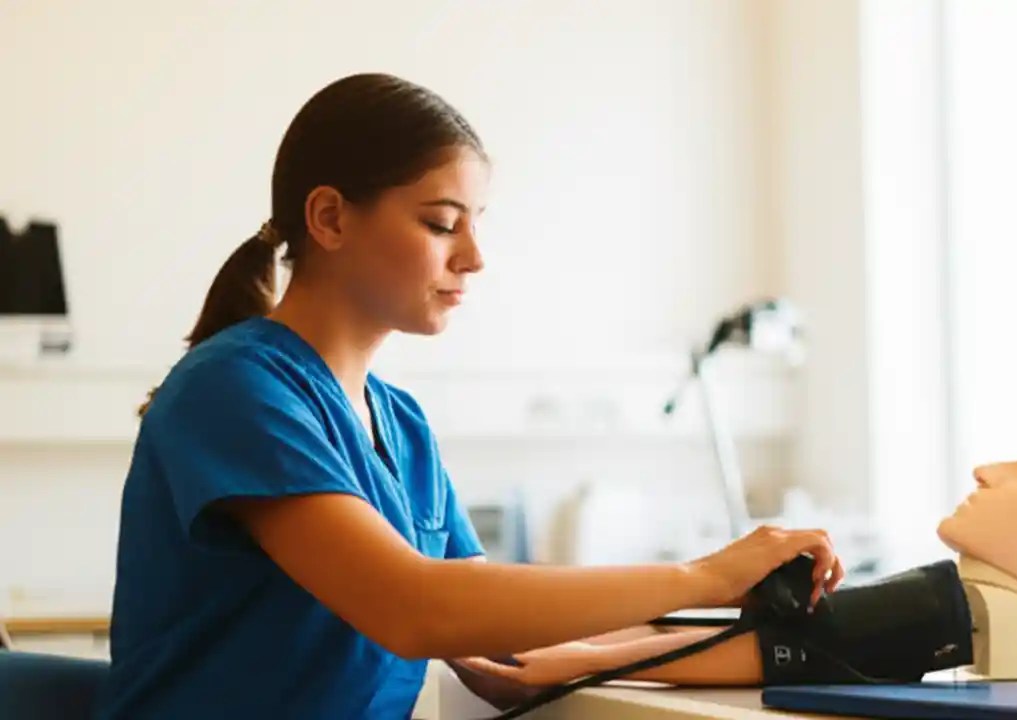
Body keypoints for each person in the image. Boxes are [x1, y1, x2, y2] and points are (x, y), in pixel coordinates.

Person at [97, 73, 843, 719]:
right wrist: (703, 575)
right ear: (328, 218)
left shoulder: (402, 425)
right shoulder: (236, 388)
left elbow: (503, 642)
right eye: (441, 223)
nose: (475, 257)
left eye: (476, 224)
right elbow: (417, 608)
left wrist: (740, 610)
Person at [463, 420, 1017, 688]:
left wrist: (582, 660)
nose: (987, 472)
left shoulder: (945, 607)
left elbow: (781, 647)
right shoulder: (958, 605)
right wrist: (573, 642)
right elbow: (777, 636)